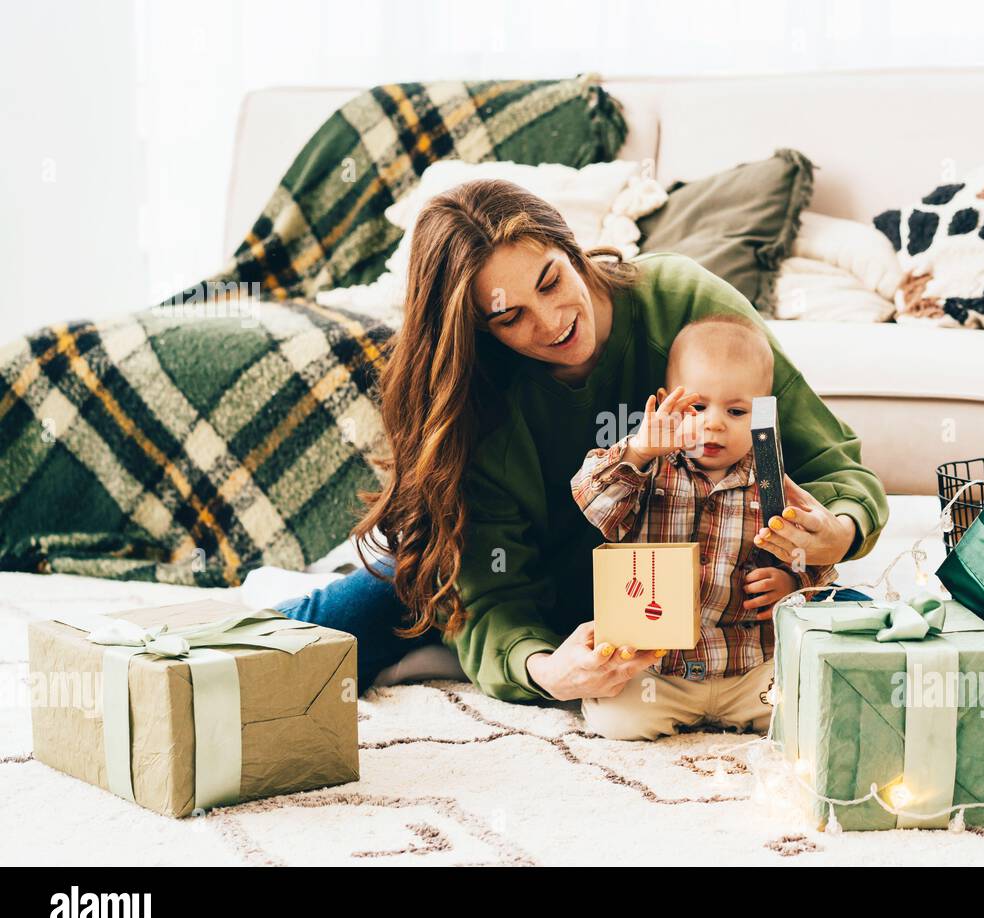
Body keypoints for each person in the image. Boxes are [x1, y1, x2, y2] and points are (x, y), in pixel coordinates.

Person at [273, 178, 889, 704]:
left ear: (570, 248)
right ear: (478, 331)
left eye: (550, 281)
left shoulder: (687, 303)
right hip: (533, 591)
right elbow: (492, 584)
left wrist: (838, 529)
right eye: (509, 316)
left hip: (697, 600)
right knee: (295, 651)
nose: (552, 322)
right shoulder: (476, 394)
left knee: (871, 631)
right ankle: (429, 646)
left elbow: (825, 464)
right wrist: (543, 669)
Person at [570, 313, 838, 739]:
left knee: (806, 707)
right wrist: (638, 449)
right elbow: (593, 502)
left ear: (763, 415)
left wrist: (792, 583)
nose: (714, 423)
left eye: (736, 411)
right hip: (660, 667)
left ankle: (747, 712)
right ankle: (681, 710)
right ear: (667, 404)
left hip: (747, 666)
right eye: (697, 407)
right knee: (617, 719)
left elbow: (817, 558)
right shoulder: (649, 469)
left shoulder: (772, 481)